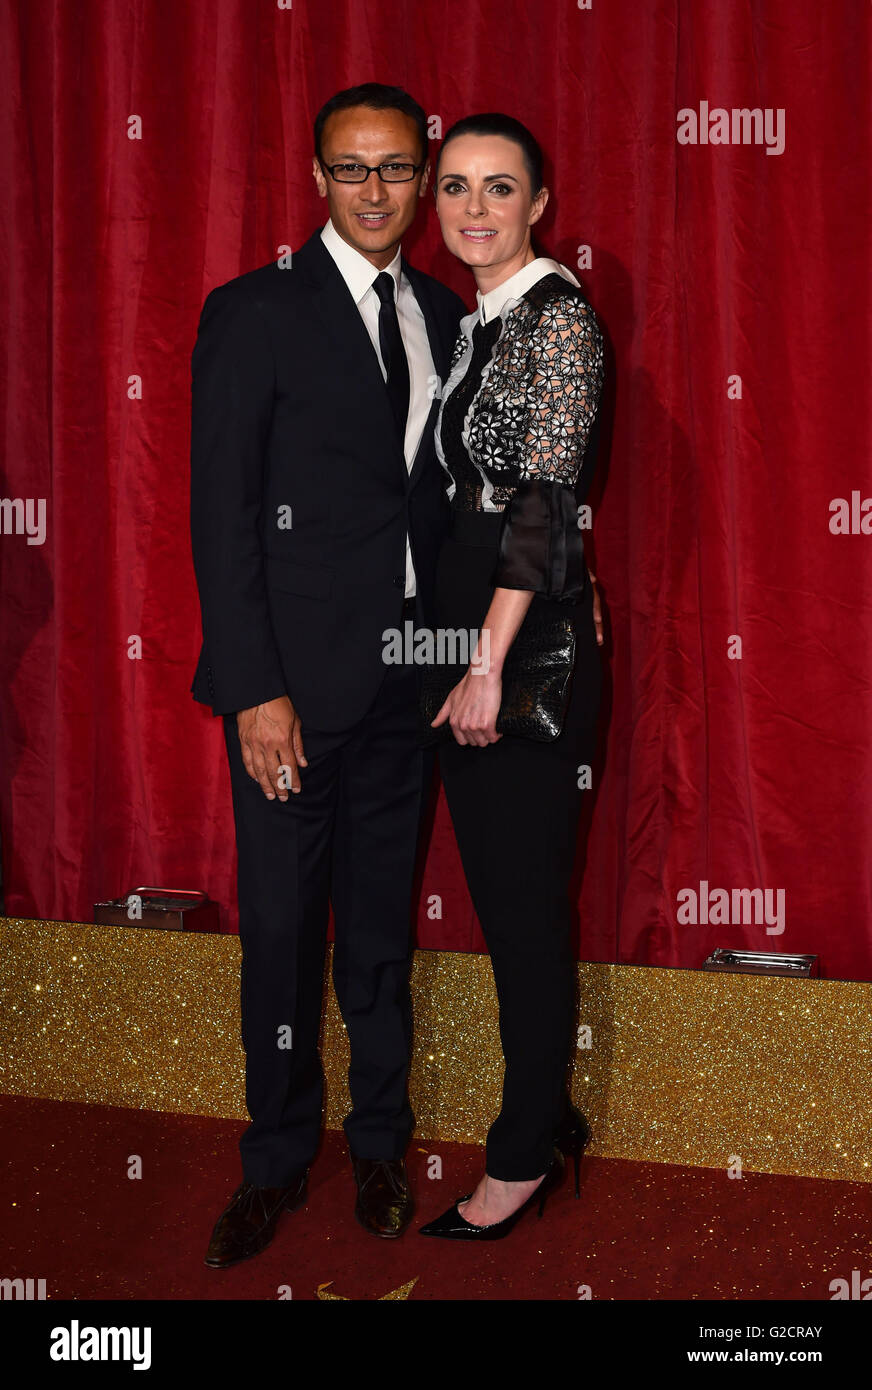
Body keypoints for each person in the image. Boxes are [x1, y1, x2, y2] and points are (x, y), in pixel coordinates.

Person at [189, 83, 467, 1266]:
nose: (372, 190)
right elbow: (221, 513)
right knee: (285, 933)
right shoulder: (252, 312)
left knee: (379, 937)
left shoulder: (447, 314)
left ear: (422, 176)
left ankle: (378, 1142)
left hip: (408, 676)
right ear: (314, 179)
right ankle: (274, 1155)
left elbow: (458, 500)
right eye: (350, 169)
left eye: (394, 168)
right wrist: (254, 689)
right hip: (290, 695)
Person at [418, 113, 605, 1241]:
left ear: (539, 200)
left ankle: (521, 1151)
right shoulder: (480, 320)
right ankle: (548, 1114)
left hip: (525, 659)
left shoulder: (558, 321)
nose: (472, 208)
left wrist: (483, 663)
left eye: (499, 187)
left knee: (522, 915)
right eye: (455, 186)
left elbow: (542, 510)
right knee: (506, 903)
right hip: (463, 649)